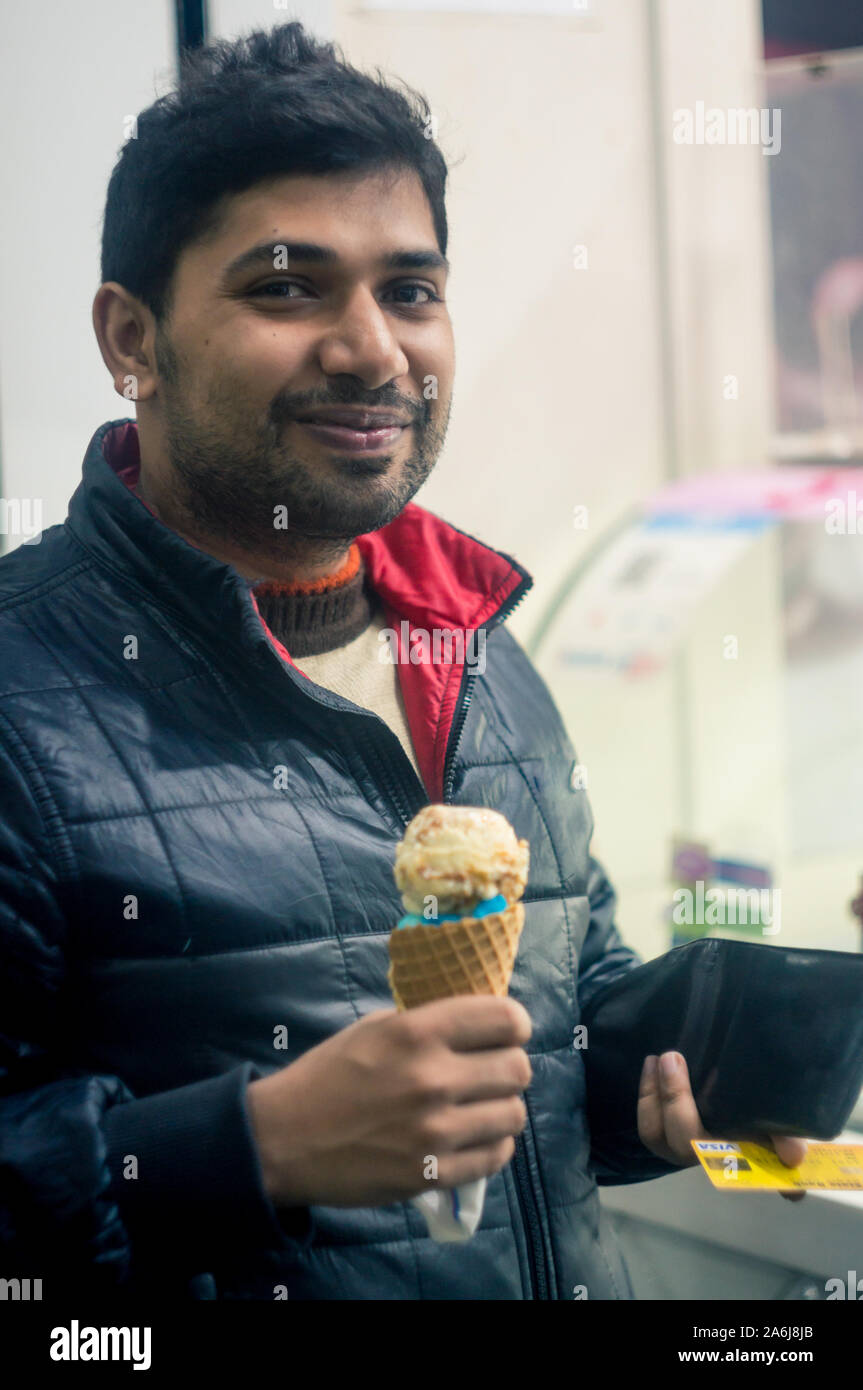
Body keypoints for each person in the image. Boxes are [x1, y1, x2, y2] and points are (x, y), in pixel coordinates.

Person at [0, 21, 804, 1302]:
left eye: (410, 289)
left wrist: (661, 1072)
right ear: (131, 338)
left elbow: (549, 1030)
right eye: (286, 287)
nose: (374, 348)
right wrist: (246, 1150)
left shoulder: (473, 639)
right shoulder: (20, 695)